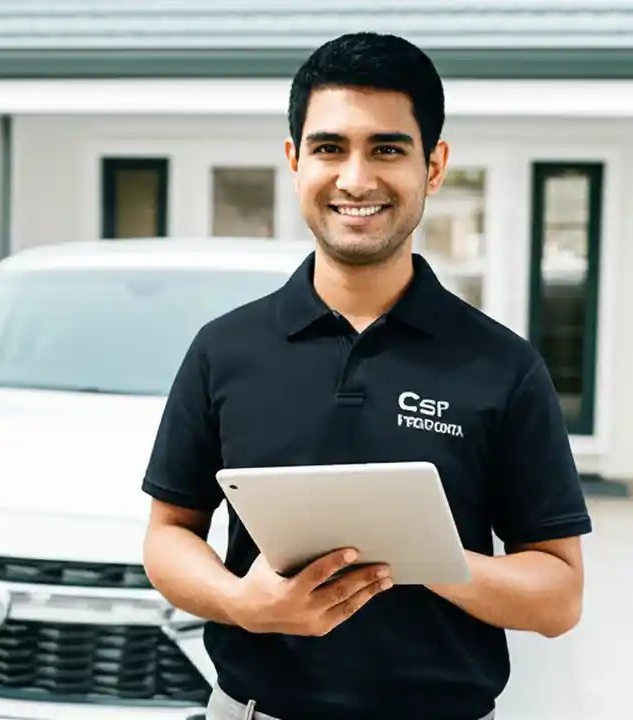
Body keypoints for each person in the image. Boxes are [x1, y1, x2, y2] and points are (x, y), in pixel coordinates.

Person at [141, 32, 590, 720]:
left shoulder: (503, 366)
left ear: (433, 167)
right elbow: (168, 535)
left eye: (387, 149)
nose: (356, 179)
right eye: (329, 148)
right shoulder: (224, 350)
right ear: (294, 162)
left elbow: (558, 597)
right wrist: (243, 603)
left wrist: (424, 555)